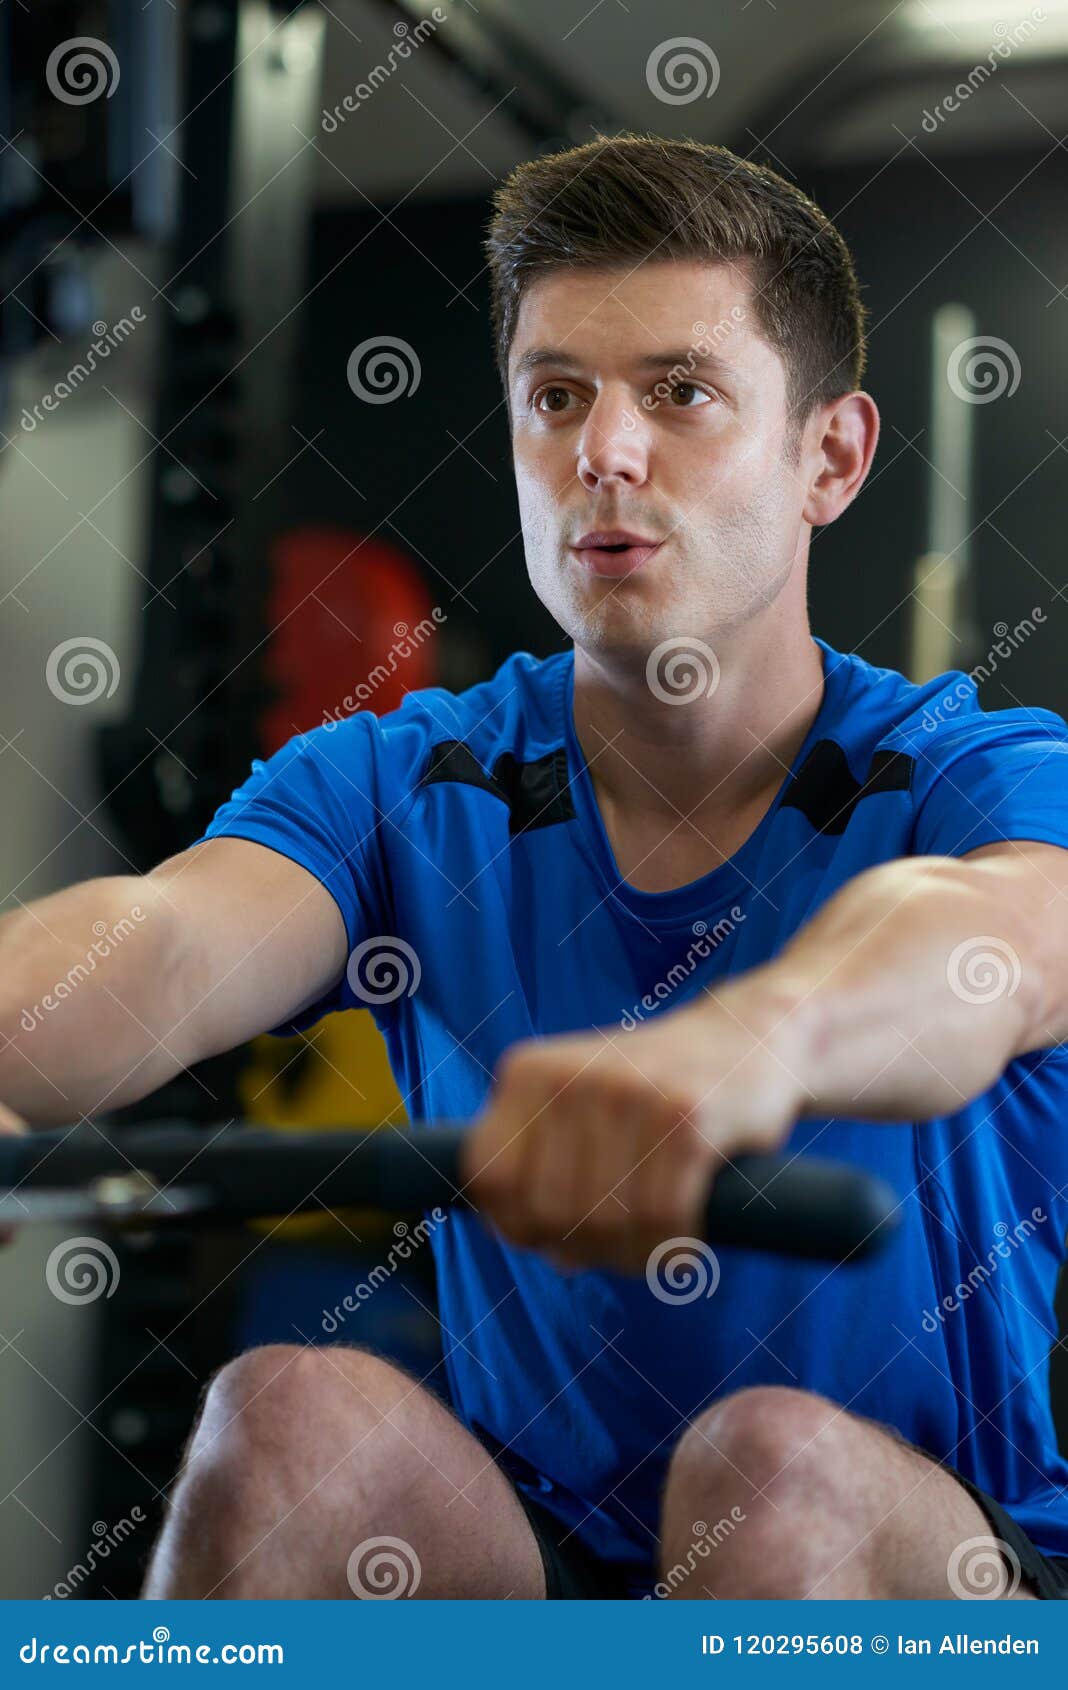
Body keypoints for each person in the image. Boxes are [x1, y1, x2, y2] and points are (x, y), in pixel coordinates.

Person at [3, 133, 1068, 1602]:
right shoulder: (405, 781)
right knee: (287, 1418)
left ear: (830, 455)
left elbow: (989, 949)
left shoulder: (976, 777)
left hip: (940, 1557)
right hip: (539, 1558)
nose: (604, 452)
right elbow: (169, 942)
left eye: (680, 393)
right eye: (556, 397)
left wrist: (737, 1046)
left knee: (771, 1473)